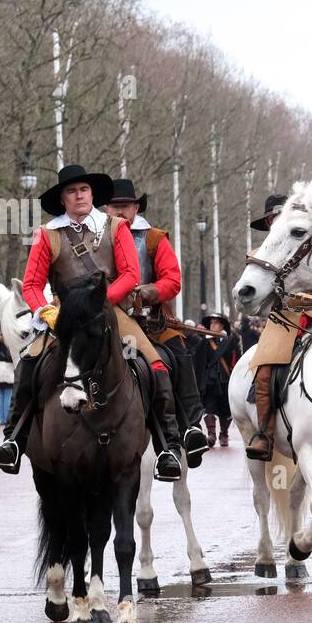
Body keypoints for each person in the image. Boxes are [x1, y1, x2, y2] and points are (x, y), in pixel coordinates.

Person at [0, 164, 184, 481]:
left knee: (155, 362)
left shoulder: (115, 227)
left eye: (83, 190)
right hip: (63, 316)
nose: (78, 196)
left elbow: (131, 275)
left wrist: (98, 303)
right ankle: (13, 440)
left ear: (92, 195)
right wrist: (46, 312)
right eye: (71, 191)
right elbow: (31, 286)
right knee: (29, 360)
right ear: (63, 199)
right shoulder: (48, 234)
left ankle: (168, 447)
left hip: (108, 311)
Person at [104, 178, 208, 467]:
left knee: (180, 357)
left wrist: (148, 292)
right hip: (106, 319)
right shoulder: (96, 238)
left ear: (136, 207)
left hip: (153, 323)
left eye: (125, 206)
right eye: (115, 207)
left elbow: (173, 280)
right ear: (105, 208)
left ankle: (191, 427)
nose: (120, 212)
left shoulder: (153, 238)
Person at [244, 194, 312, 461]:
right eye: (274, 218)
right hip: (285, 318)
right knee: (265, 372)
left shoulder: (307, 240)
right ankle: (264, 433)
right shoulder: (259, 256)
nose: (278, 221)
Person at [194, 313, 239, 447]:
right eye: (211, 323)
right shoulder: (204, 342)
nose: (213, 325)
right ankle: (211, 435)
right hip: (210, 382)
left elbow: (236, 361)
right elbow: (199, 364)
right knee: (209, 408)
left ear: (222, 325)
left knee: (225, 410)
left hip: (226, 380)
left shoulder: (230, 342)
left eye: (216, 322)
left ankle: (224, 434)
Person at [0, 332, 14, 425]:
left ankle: (1, 418)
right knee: (8, 397)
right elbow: (11, 358)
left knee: (0, 397)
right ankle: (6, 419)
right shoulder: (9, 345)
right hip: (8, 374)